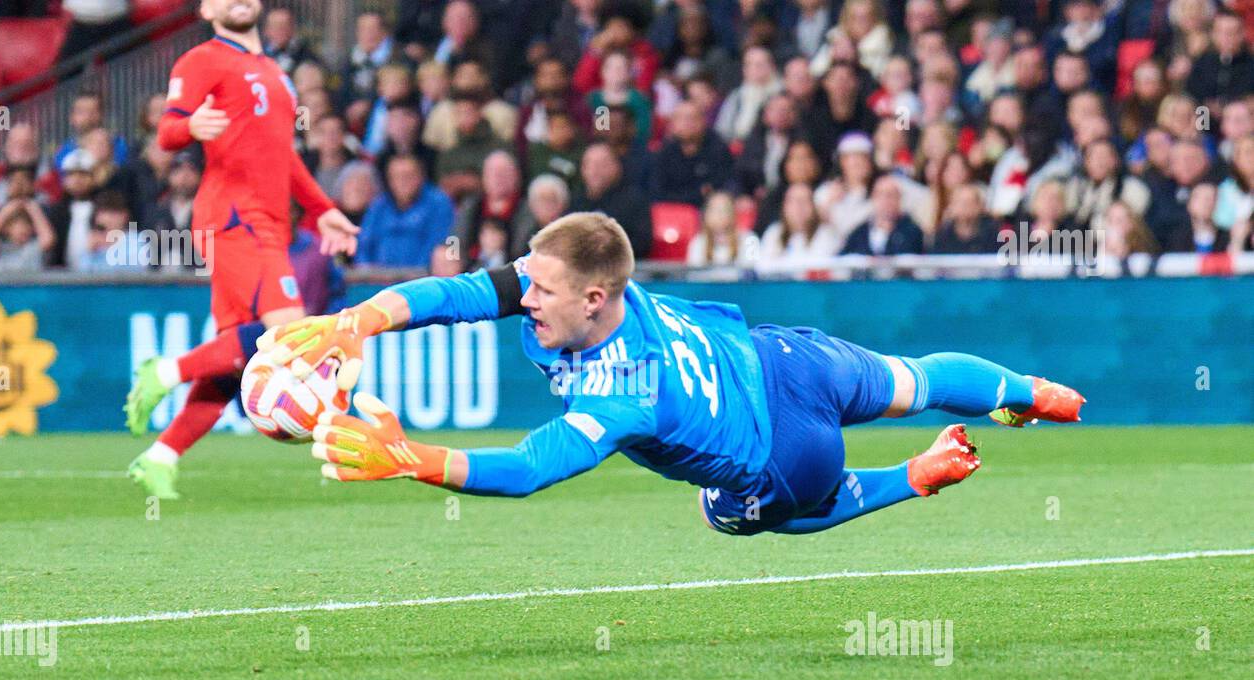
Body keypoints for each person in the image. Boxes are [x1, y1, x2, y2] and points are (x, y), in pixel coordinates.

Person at [260, 212, 1084, 537]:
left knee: (724, 516)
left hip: (787, 448)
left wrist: (414, 459)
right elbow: (458, 293)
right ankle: (1028, 392)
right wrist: (356, 319)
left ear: (592, 297)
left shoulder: (623, 388)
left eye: (539, 291)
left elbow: (528, 469)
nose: (524, 299)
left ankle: (915, 474)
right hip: (786, 356)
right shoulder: (592, 287)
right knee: (913, 379)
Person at [123, 0, 360, 499]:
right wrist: (190, 127)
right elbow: (166, 131)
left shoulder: (274, 71)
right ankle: (164, 371)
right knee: (288, 330)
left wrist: (322, 210)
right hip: (233, 215)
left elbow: (284, 156)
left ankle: (161, 457)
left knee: (239, 357)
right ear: (207, 8)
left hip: (269, 220)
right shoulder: (201, 59)